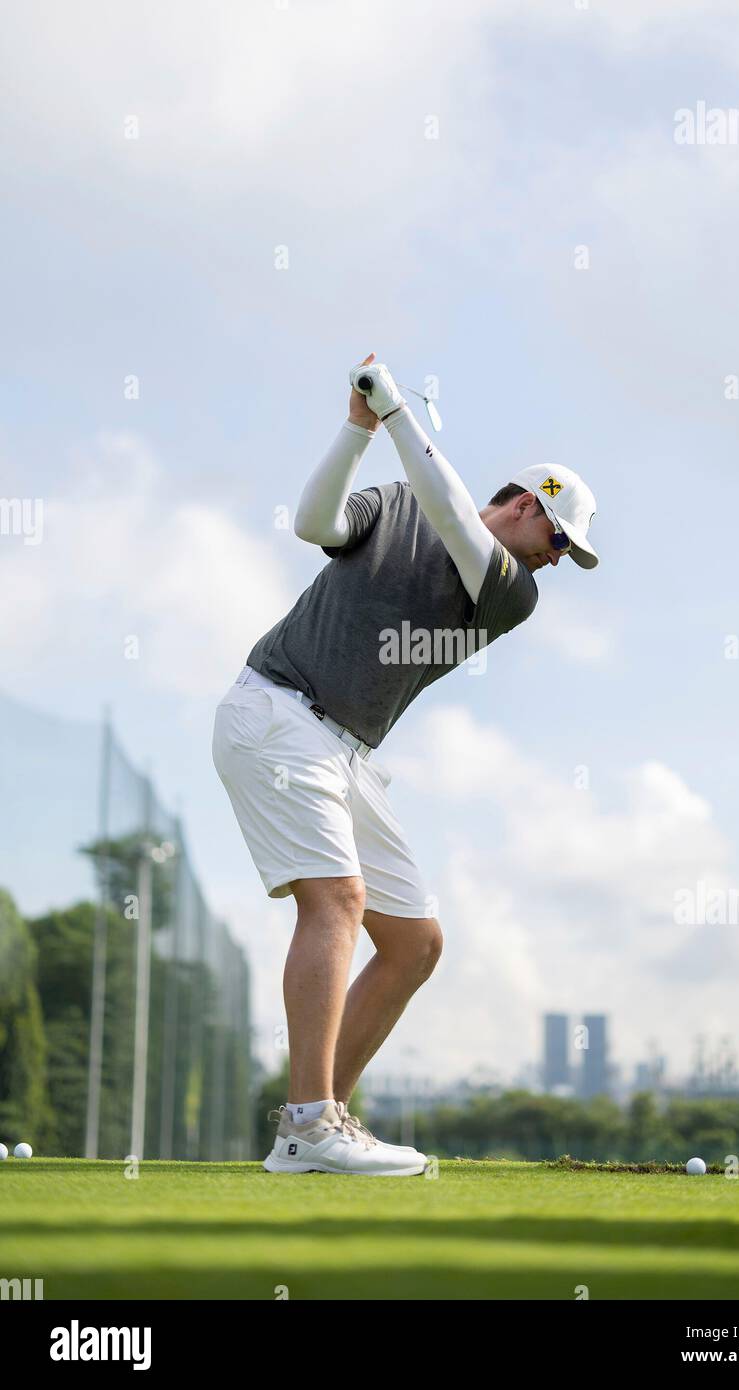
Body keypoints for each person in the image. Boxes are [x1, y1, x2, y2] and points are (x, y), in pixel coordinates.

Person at [212, 354, 600, 1175]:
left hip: (344, 748)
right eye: (559, 539)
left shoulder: (512, 593)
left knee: (416, 943)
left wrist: (395, 415)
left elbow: (457, 519)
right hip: (278, 709)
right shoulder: (394, 502)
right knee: (339, 902)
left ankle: (311, 1125)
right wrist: (358, 432)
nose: (558, 560)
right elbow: (313, 525)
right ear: (529, 505)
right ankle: (311, 1127)